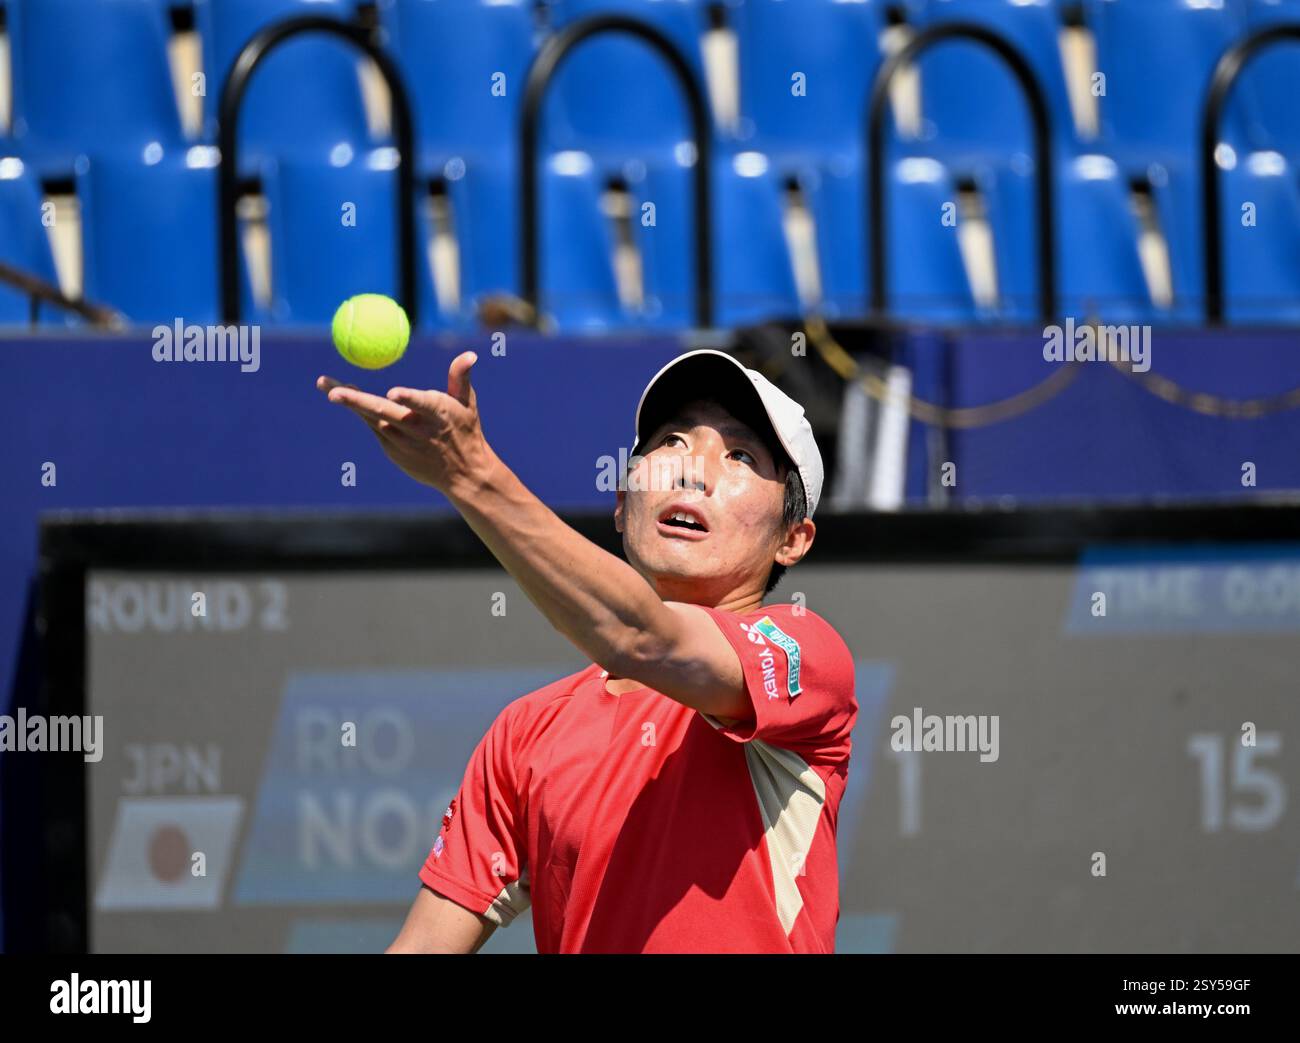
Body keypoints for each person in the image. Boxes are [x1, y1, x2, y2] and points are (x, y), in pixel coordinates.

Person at [317, 348, 857, 953]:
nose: (692, 470)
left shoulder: (806, 654)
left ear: (792, 538)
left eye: (739, 456)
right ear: (623, 504)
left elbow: (639, 637)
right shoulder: (525, 732)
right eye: (671, 442)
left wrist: (470, 475)